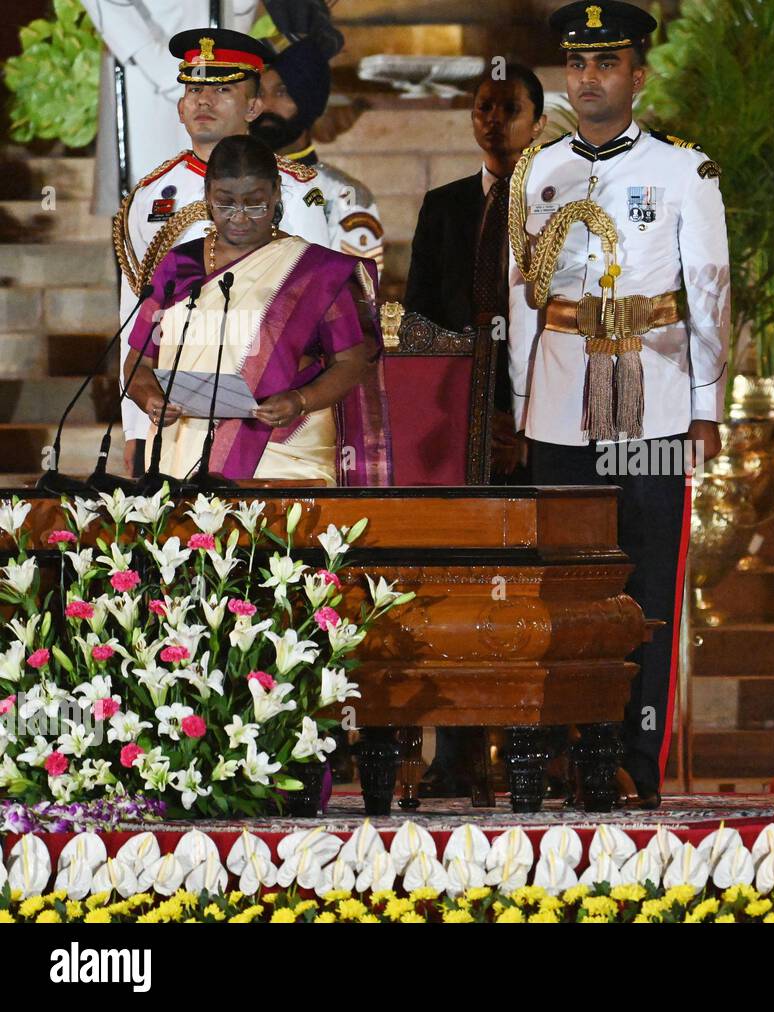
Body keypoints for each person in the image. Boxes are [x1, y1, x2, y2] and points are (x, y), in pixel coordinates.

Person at [508, 1, 730, 807]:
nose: (590, 77)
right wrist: (523, 399)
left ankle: (636, 750)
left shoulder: (684, 171)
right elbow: (522, 293)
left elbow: (708, 292)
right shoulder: (538, 172)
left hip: (656, 394)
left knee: (646, 575)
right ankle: (568, 743)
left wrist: (706, 400)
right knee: (561, 579)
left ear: (638, 74)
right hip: (563, 393)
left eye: (608, 63)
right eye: (578, 63)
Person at [113, 27, 331, 475]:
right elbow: (134, 318)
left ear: (254, 106)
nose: (203, 101)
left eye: (222, 89)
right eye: (193, 88)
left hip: (266, 411)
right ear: (179, 105)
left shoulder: (294, 190)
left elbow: (316, 309)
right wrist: (136, 425)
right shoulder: (152, 194)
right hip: (178, 412)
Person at [123, 135, 390, 486]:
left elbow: (352, 362)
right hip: (185, 449)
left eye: (255, 204)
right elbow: (138, 362)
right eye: (225, 203)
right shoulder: (179, 264)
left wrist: (300, 399)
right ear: (207, 193)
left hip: (285, 449)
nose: (239, 218)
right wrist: (150, 399)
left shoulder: (312, 271)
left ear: (277, 192)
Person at [406, 63, 548, 485]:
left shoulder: (558, 203)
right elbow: (421, 312)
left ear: (539, 124)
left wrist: (522, 416)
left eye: (510, 108)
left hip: (542, 395)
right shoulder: (443, 206)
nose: (494, 119)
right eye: (483, 108)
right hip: (459, 394)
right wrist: (469, 408)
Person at [84, 1, 258, 215]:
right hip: (142, 68)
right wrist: (150, 56)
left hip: (213, 48)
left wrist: (226, 45)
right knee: (143, 202)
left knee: (216, 195)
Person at [250, 36, 386, 272]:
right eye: (260, 94)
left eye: (281, 93)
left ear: (308, 103)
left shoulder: (345, 193)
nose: (267, 105)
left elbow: (358, 291)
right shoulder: (227, 182)